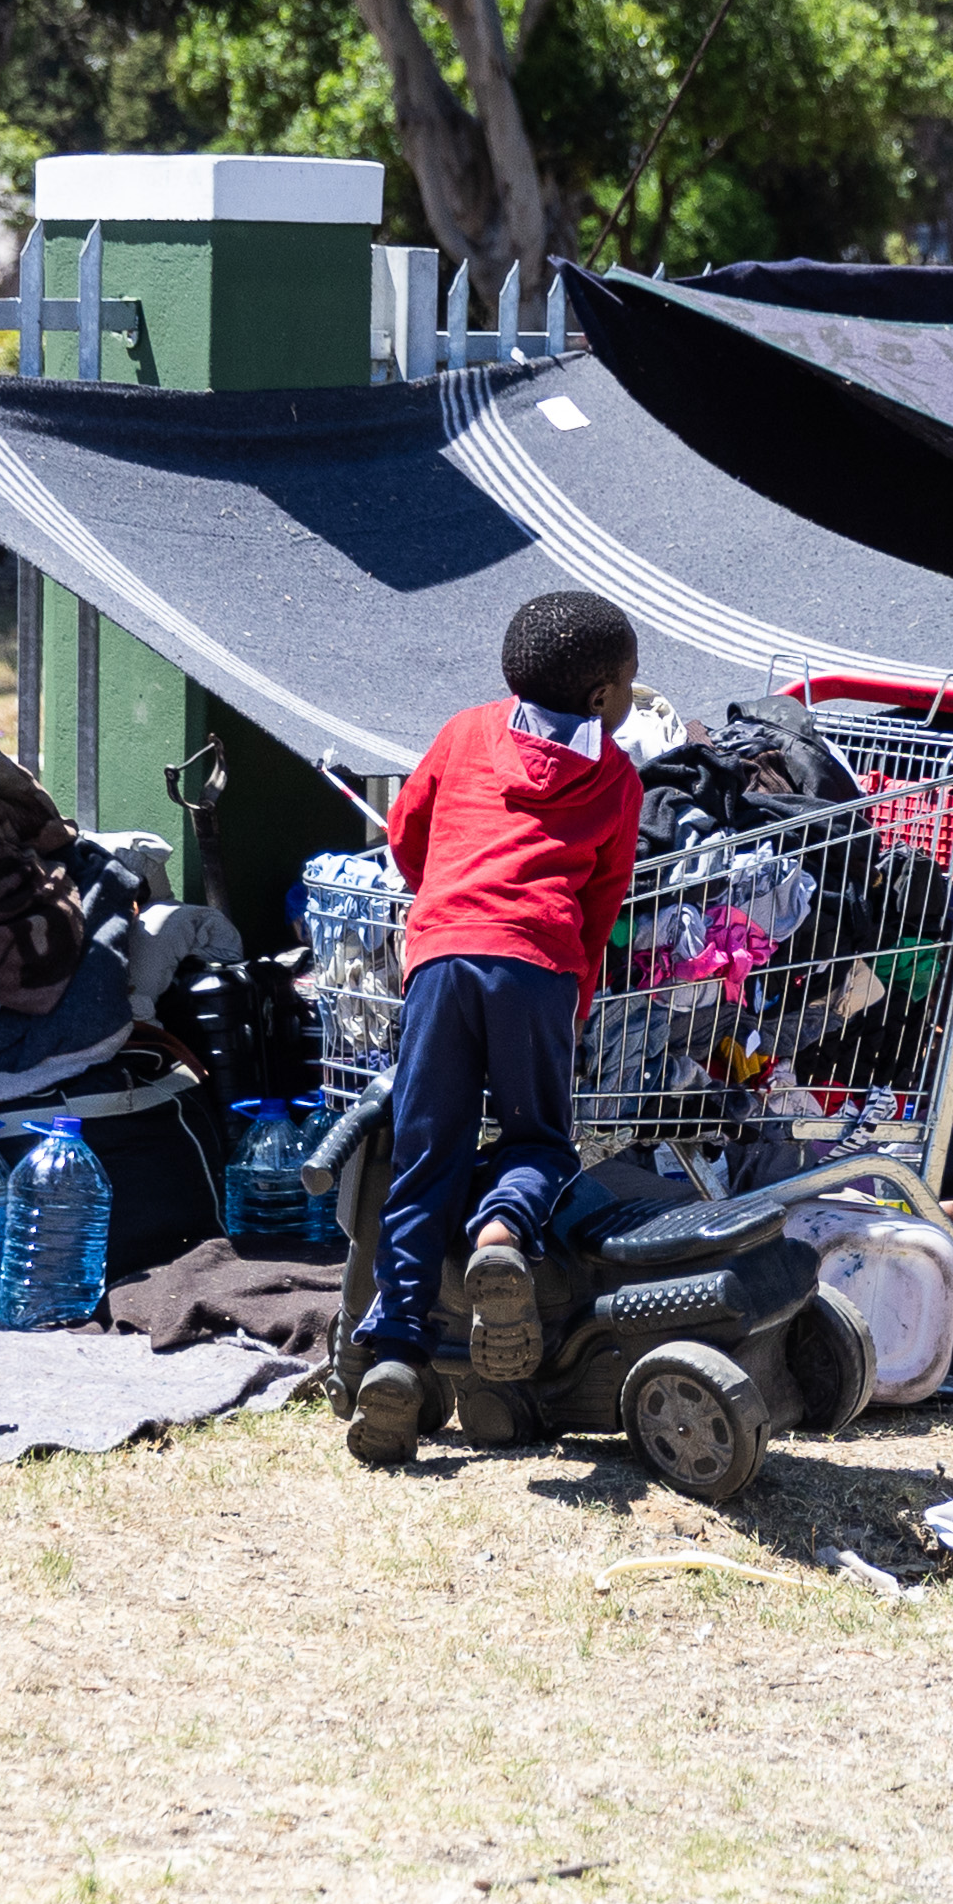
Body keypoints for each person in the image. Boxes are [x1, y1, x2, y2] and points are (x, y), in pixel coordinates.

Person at [350, 591, 644, 1467]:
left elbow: (409, 835)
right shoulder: (618, 778)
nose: (632, 697)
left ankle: (396, 1351)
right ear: (599, 696)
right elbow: (601, 902)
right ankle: (501, 1235)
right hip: (540, 967)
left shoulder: (467, 730)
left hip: (441, 957)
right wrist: (575, 995)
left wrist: (443, 900)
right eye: (628, 683)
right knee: (540, 1142)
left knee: (425, 1155)